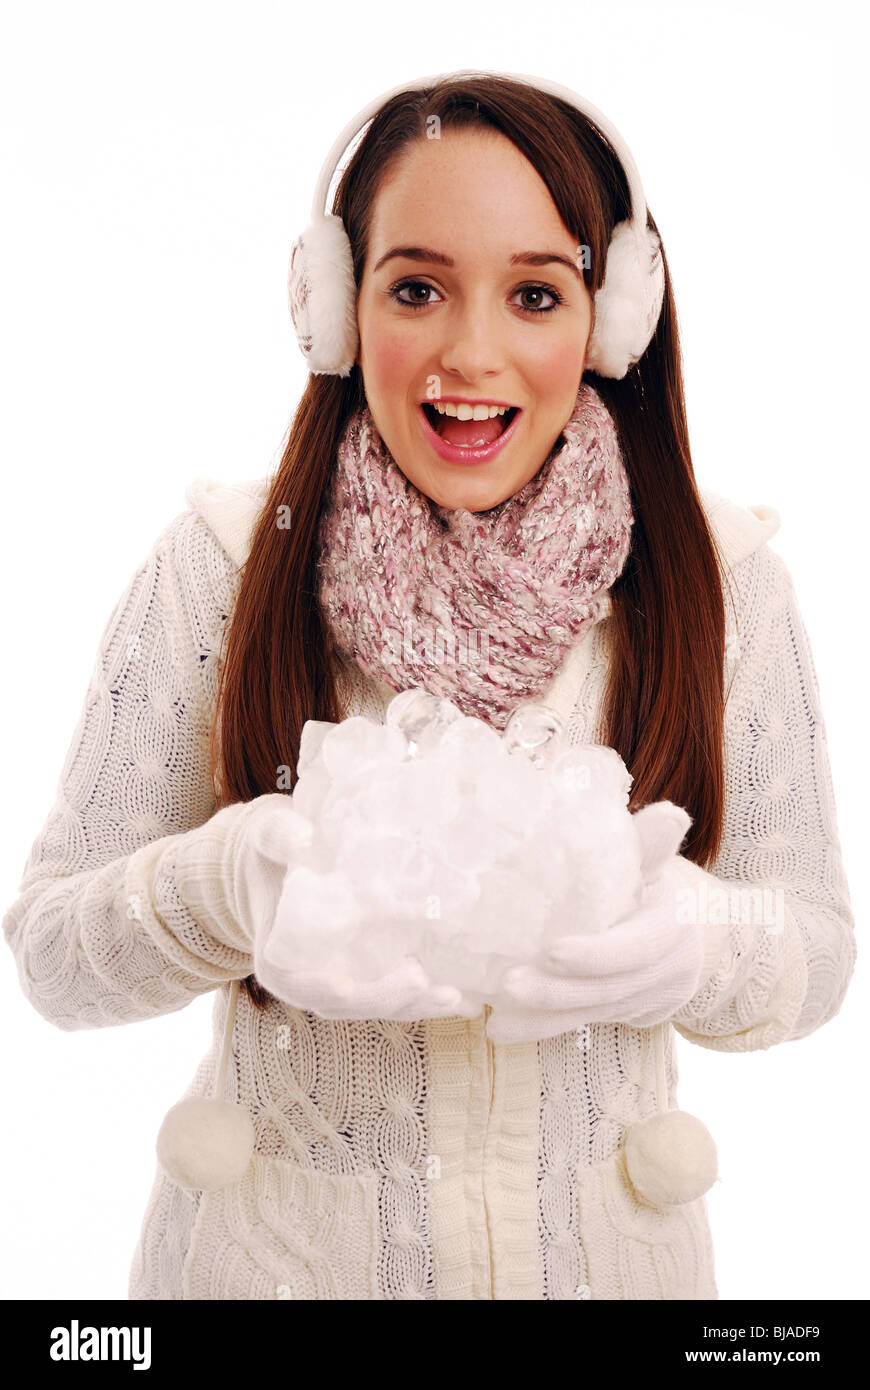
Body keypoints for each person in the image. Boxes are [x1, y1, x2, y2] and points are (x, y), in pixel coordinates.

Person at [2, 70, 856, 1301]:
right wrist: (226, 885)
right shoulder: (225, 567)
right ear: (338, 312)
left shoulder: (725, 586)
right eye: (417, 288)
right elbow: (53, 956)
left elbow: (818, 951)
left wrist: (696, 942)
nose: (473, 353)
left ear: (610, 321)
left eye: (534, 294)